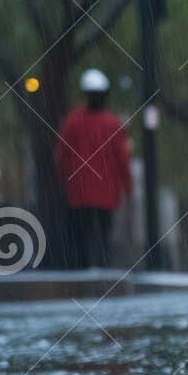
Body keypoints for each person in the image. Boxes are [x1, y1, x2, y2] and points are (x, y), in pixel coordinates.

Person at [55, 70, 133, 269]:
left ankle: (83, 270)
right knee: (102, 234)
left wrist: (63, 181)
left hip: (80, 192)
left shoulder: (73, 121)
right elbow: (122, 158)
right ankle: (100, 268)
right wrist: (128, 186)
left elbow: (62, 155)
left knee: (81, 235)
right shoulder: (112, 123)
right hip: (105, 193)